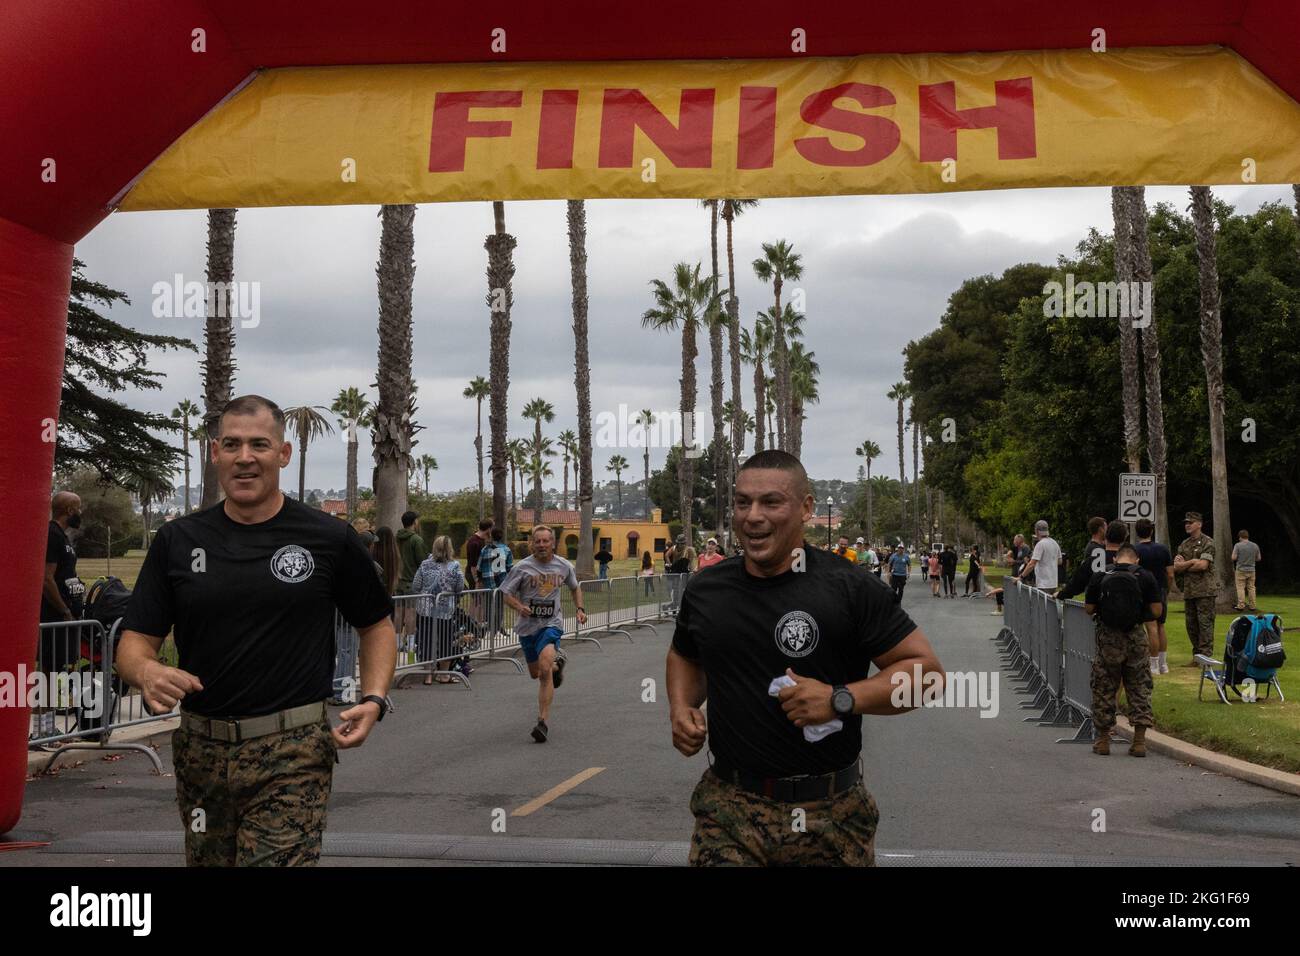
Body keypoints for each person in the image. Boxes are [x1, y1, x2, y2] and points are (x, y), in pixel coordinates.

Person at [117, 395, 396, 867]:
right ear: (215, 454)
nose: (244, 457)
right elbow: (134, 641)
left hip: (292, 750)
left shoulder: (328, 538)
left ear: (283, 454)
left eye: (259, 445)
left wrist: (374, 698)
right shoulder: (178, 540)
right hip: (201, 751)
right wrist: (146, 671)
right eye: (232, 444)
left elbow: (376, 625)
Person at [667, 449, 943, 866]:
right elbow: (685, 655)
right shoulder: (707, 589)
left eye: (771, 502)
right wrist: (681, 707)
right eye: (743, 502)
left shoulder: (849, 587)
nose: (752, 516)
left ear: (806, 508)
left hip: (830, 815)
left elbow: (926, 675)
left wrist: (839, 698)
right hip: (727, 809)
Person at [499, 526, 586, 742]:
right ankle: (559, 664)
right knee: (536, 673)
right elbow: (505, 593)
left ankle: (542, 722)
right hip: (527, 628)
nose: (542, 545)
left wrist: (580, 609)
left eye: (546, 541)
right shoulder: (522, 567)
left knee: (545, 669)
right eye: (537, 541)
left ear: (553, 543)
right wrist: (519, 607)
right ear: (532, 544)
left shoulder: (564, 566)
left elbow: (575, 587)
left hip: (551, 624)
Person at [1083, 543, 1162, 757]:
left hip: (1108, 638)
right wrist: (1137, 614)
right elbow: (1156, 610)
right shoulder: (1145, 576)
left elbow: (1089, 608)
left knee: (1104, 686)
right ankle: (1138, 742)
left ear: (1116, 559)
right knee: (1139, 687)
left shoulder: (1100, 575)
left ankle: (1102, 741)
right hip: (1135, 637)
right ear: (1137, 560)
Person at [411, 535, 465, 685]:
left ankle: (428, 675)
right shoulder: (454, 566)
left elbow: (416, 585)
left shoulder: (425, 564)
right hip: (445, 610)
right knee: (445, 641)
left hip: (425, 609)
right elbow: (460, 587)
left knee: (426, 641)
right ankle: (444, 674)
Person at [1174, 511, 1217, 662]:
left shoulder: (1208, 542)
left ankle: (1205, 658)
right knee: (1191, 625)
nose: (1187, 525)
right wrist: (1192, 562)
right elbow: (1176, 568)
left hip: (1205, 591)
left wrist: (1186, 564)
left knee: (1205, 624)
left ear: (1199, 524)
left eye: (1190, 523)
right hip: (1190, 591)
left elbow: (1203, 566)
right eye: (1186, 523)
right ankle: (1196, 656)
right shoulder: (1184, 544)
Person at [1133, 518, 1173, 675]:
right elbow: (1170, 574)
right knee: (1160, 626)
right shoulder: (1163, 549)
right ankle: (1163, 664)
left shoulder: (1135, 550)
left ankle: (1153, 663)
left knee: (1150, 627)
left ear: (1137, 532)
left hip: (1143, 591)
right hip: (1160, 590)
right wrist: (1166, 590)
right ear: (1151, 531)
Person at [395, 511, 429, 654]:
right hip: (412, 582)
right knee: (410, 614)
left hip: (398, 582)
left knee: (398, 613)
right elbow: (423, 562)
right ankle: (409, 645)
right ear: (415, 522)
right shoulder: (416, 540)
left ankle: (396, 643)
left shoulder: (396, 538)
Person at [1055, 517, 1109, 602]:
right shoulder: (1096, 550)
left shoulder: (1093, 546)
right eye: (1106, 527)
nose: (1107, 530)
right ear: (1100, 529)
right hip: (1095, 593)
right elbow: (1086, 575)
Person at [477, 527, 514, 640]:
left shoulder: (485, 549)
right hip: (501, 583)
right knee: (499, 607)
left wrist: (480, 579)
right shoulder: (506, 549)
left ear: (491, 536)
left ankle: (490, 629)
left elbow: (479, 567)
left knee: (488, 607)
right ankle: (496, 629)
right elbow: (509, 568)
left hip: (488, 582)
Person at [1017, 521, 1061, 591]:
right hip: (1053, 583)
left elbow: (1031, 564)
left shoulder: (1040, 544)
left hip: (1043, 584)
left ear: (1037, 531)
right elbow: (1059, 561)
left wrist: (1021, 577)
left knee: (1041, 602)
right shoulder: (1054, 543)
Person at [1231, 530, 1261, 612]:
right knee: (1251, 588)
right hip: (1251, 570)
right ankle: (1252, 606)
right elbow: (1258, 558)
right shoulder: (1255, 545)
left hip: (1241, 569)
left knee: (1240, 587)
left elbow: (1233, 557)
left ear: (1240, 537)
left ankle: (1241, 605)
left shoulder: (1238, 545)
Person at [667, 534, 696, 612]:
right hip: (676, 572)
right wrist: (670, 564)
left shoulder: (688, 550)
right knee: (676, 590)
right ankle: (675, 607)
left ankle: (682, 607)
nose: (682, 545)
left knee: (683, 590)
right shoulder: (673, 548)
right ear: (678, 543)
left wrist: (690, 567)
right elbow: (667, 555)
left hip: (684, 573)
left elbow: (691, 559)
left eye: (683, 543)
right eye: (680, 543)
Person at [465, 519, 492, 588]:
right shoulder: (474, 542)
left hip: (481, 575)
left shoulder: (483, 540)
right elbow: (473, 565)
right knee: (478, 598)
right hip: (473, 575)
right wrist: (477, 580)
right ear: (488, 529)